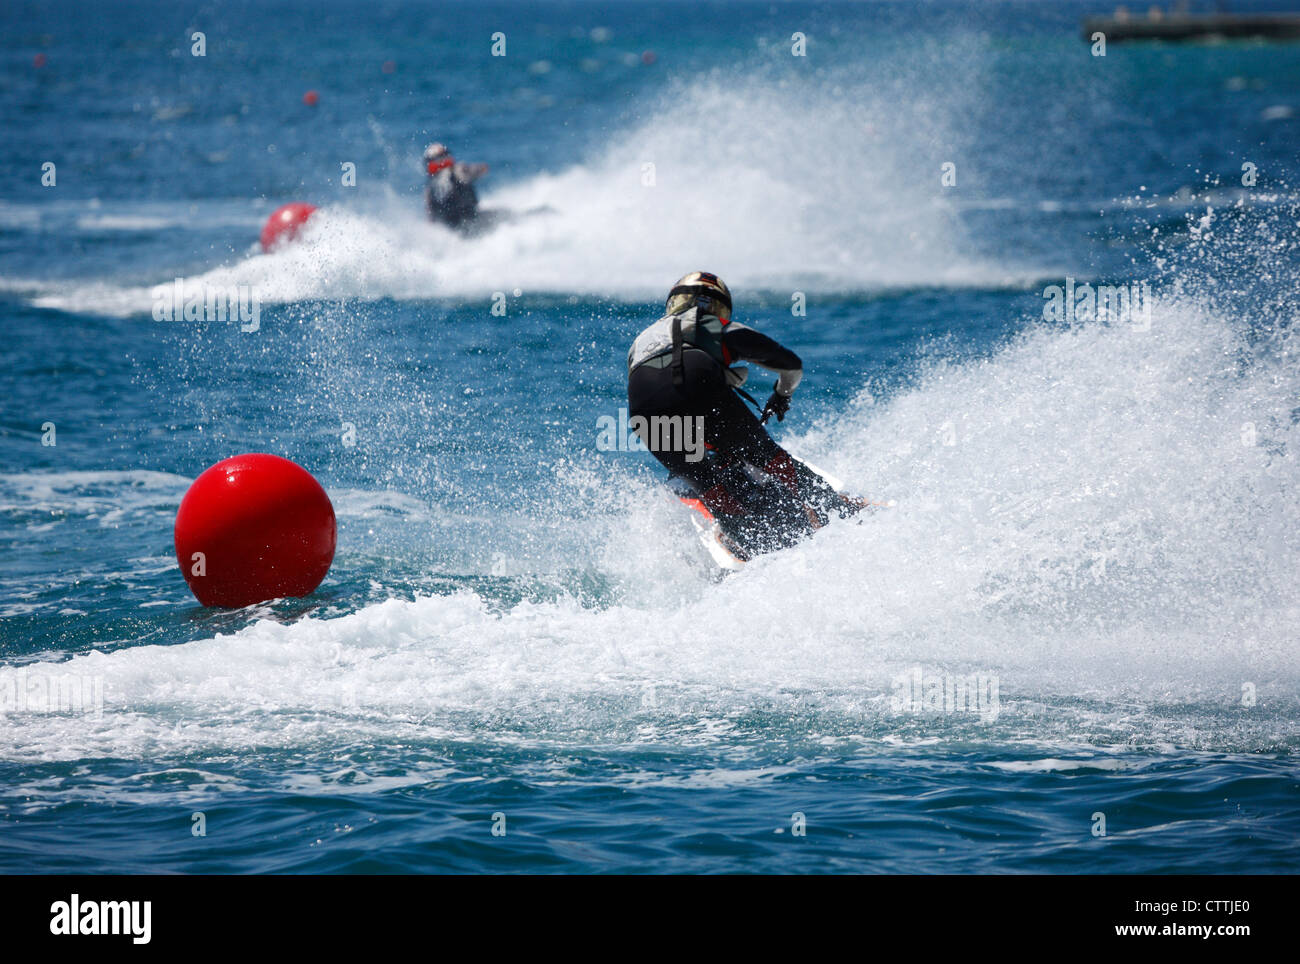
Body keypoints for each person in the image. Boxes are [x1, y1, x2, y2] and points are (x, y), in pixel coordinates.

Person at [626, 271, 860, 557]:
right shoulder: (712, 324)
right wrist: (782, 394)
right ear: (712, 305)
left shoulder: (640, 342)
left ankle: (748, 542)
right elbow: (791, 365)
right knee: (772, 459)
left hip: (644, 412)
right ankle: (836, 508)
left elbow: (665, 389)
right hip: (697, 382)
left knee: (708, 486)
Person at [422, 143, 488, 230]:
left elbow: (431, 217)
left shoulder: (429, 188)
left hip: (451, 228)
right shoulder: (457, 170)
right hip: (471, 220)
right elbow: (482, 169)